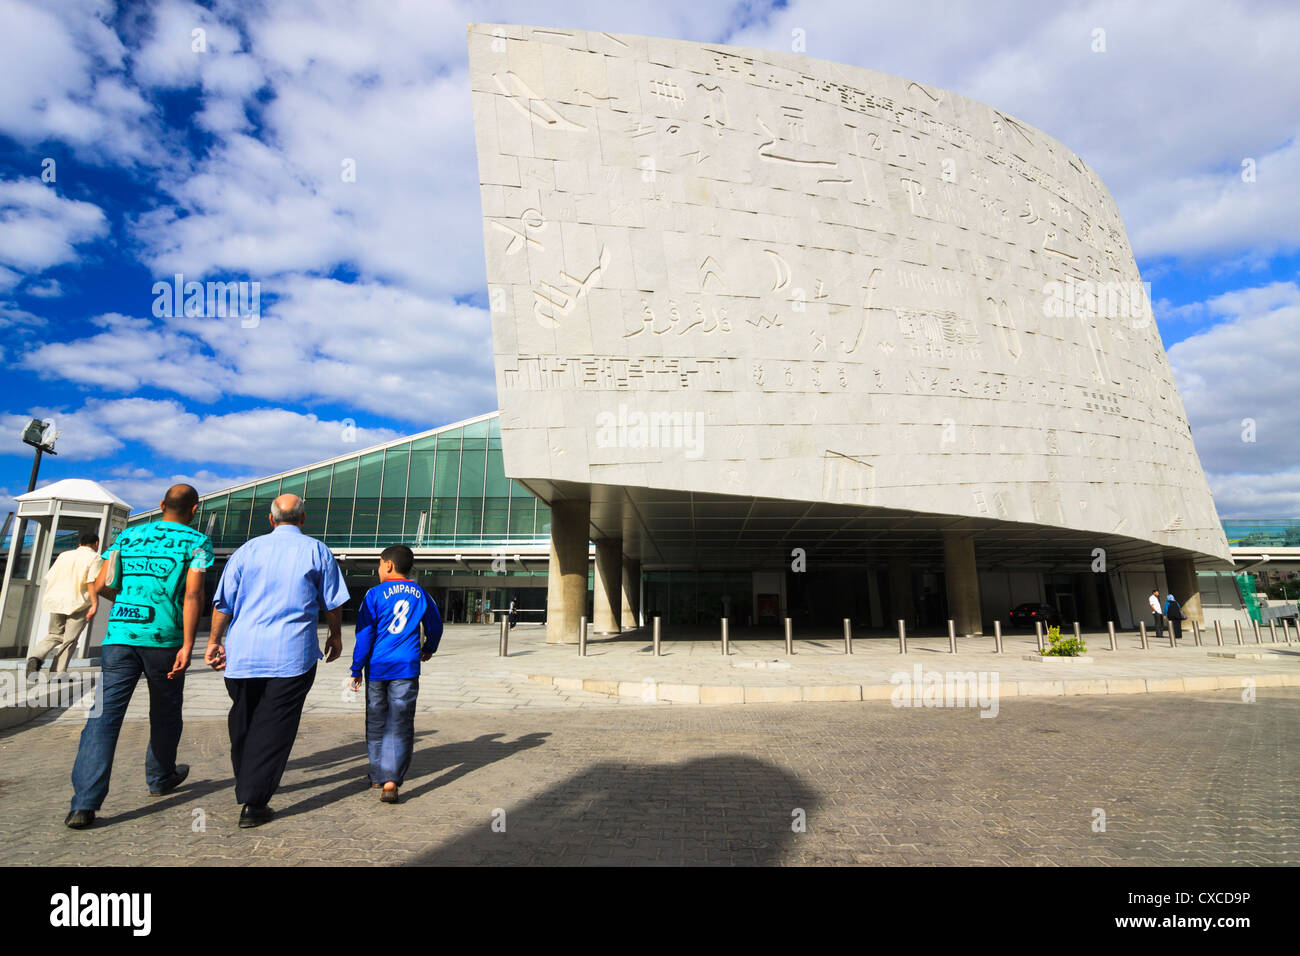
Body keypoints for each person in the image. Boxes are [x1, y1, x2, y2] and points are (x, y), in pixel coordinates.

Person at [65, 485, 211, 830]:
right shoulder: (197, 542)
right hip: (164, 641)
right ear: (193, 510)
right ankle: (160, 777)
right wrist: (189, 645)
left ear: (161, 505)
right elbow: (193, 594)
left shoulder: (127, 537)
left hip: (118, 638)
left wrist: (129, 604)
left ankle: (84, 805)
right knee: (164, 712)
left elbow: (101, 583)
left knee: (102, 718)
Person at [205, 494, 349, 829]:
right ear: (303, 519)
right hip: (291, 655)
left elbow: (223, 602)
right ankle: (254, 802)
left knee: (243, 719)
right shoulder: (317, 551)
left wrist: (214, 641)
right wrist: (336, 635)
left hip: (244, 654)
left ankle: (249, 781)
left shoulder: (247, 551)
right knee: (275, 726)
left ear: (271, 520)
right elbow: (332, 600)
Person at [348, 545, 442, 803]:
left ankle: (377, 773)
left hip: (377, 669)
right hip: (406, 668)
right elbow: (435, 624)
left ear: (388, 565)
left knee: (376, 720)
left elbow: (365, 634)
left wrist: (357, 668)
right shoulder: (420, 593)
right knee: (400, 723)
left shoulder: (373, 594)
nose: (378, 570)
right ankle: (391, 781)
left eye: (379, 565)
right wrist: (429, 647)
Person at [29, 531, 103, 679]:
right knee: (70, 639)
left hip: (56, 600)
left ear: (79, 544)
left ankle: (36, 657)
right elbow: (91, 581)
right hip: (78, 602)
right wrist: (94, 603)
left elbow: (50, 576)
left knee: (54, 634)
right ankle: (58, 673)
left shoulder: (63, 555)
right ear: (96, 544)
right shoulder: (95, 557)